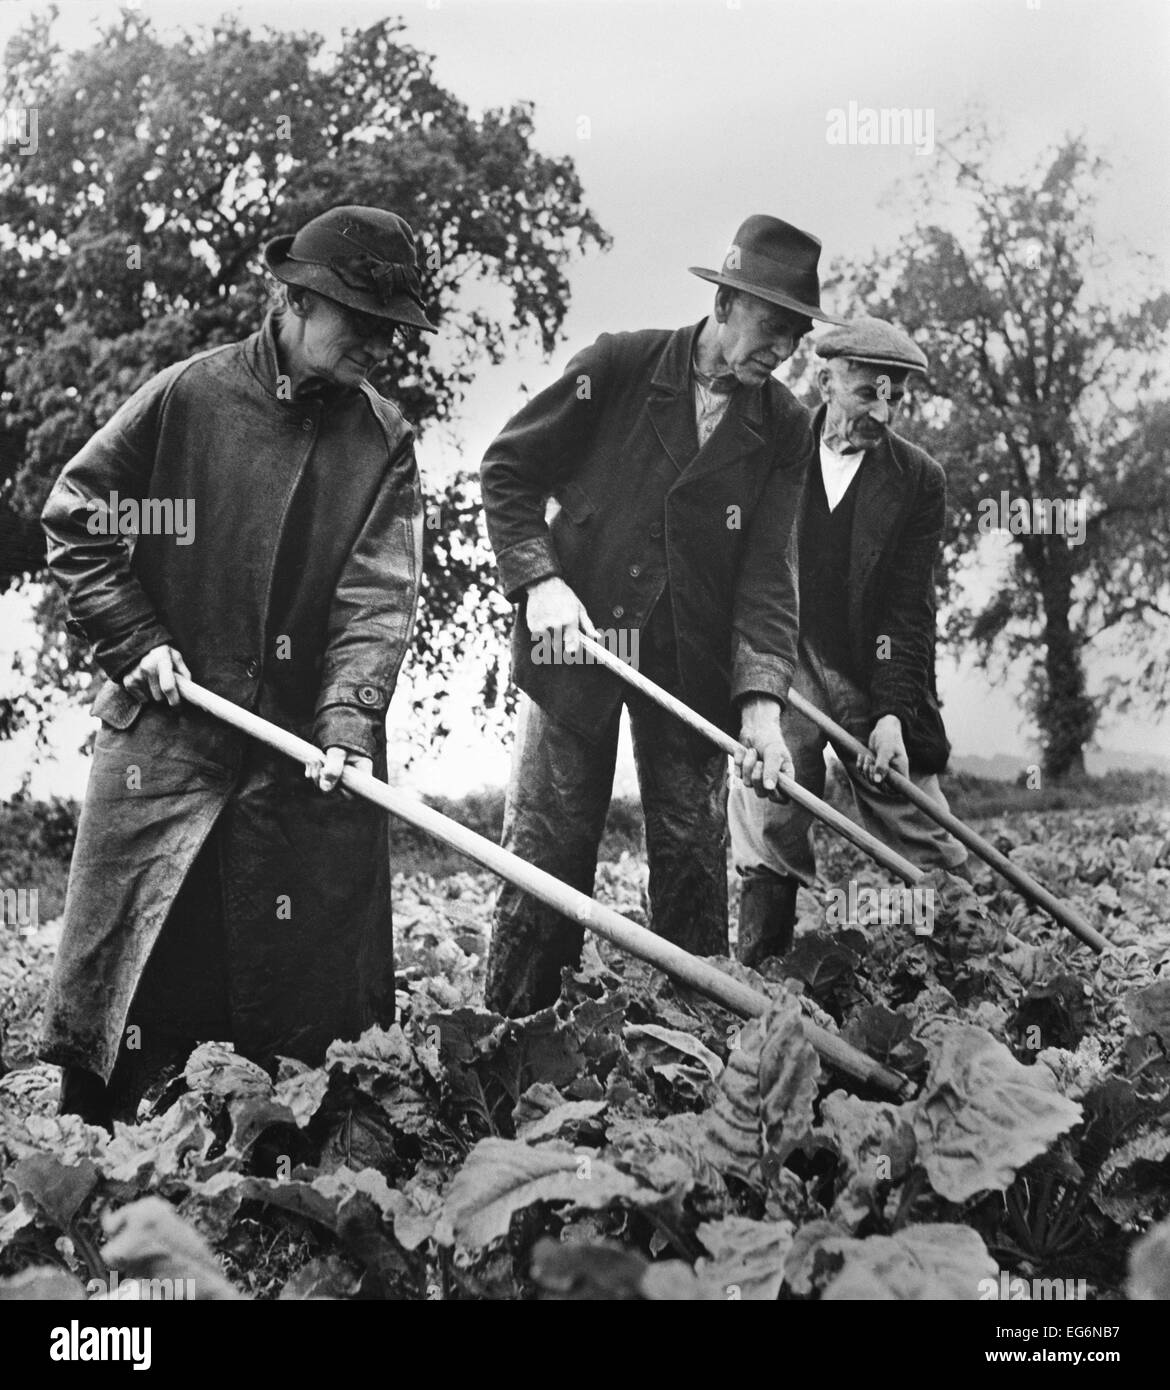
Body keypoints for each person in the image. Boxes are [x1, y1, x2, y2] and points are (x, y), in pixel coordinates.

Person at [39, 204, 434, 1125]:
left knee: (298, 999)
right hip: (166, 739)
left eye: (389, 325)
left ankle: (273, 1173)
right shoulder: (188, 396)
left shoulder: (382, 443)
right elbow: (81, 515)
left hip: (298, 753)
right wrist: (136, 639)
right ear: (293, 300)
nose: (379, 341)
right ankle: (103, 1176)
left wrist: (346, 723)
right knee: (138, 979)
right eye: (361, 320)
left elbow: (375, 600)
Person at [479, 214, 844, 1017]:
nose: (783, 349)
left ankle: (688, 1046)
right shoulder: (618, 366)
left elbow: (767, 577)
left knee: (690, 859)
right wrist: (539, 581)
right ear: (724, 301)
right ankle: (511, 1032)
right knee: (548, 849)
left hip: (691, 668)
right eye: (773, 326)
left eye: (796, 336)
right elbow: (507, 470)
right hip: (575, 648)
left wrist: (761, 708)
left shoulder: (783, 428)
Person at [728, 316, 970, 966]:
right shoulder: (772, 448)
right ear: (829, 378)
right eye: (869, 393)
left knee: (911, 810)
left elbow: (907, 609)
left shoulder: (918, 478)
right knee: (770, 799)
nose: (884, 411)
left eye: (896, 395)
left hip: (871, 666)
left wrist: (892, 714)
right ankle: (761, 971)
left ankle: (970, 962)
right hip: (783, 657)